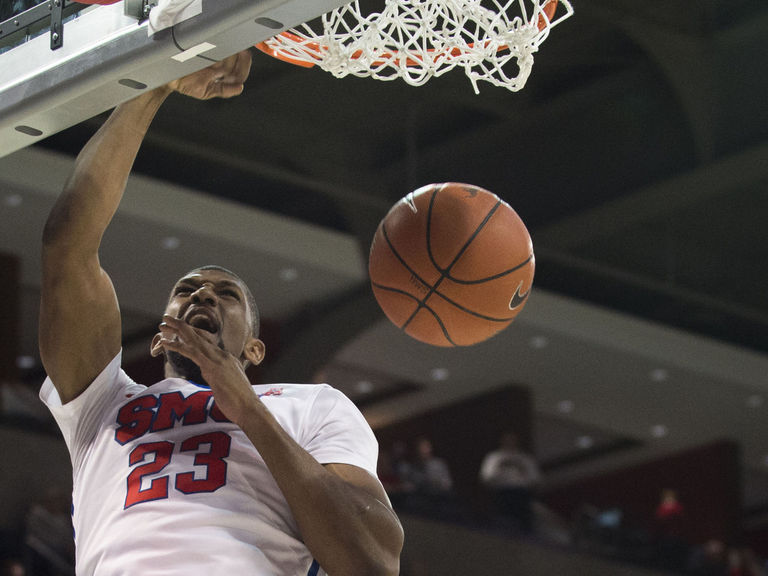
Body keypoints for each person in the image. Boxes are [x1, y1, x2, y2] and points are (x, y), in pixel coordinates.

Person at [38, 50, 403, 575]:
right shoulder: (102, 403)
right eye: (186, 290)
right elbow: (65, 248)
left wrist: (246, 407)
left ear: (255, 349)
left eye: (225, 294)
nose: (202, 295)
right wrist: (153, 82)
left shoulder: (311, 407)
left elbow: (371, 562)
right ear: (161, 336)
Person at [479, 431, 540, 534]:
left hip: (522, 495)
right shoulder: (494, 457)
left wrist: (521, 470)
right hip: (501, 494)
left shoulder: (525, 459)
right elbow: (486, 477)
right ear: (502, 441)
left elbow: (535, 479)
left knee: (524, 525)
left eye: (513, 440)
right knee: (502, 524)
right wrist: (501, 468)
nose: (510, 443)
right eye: (507, 440)